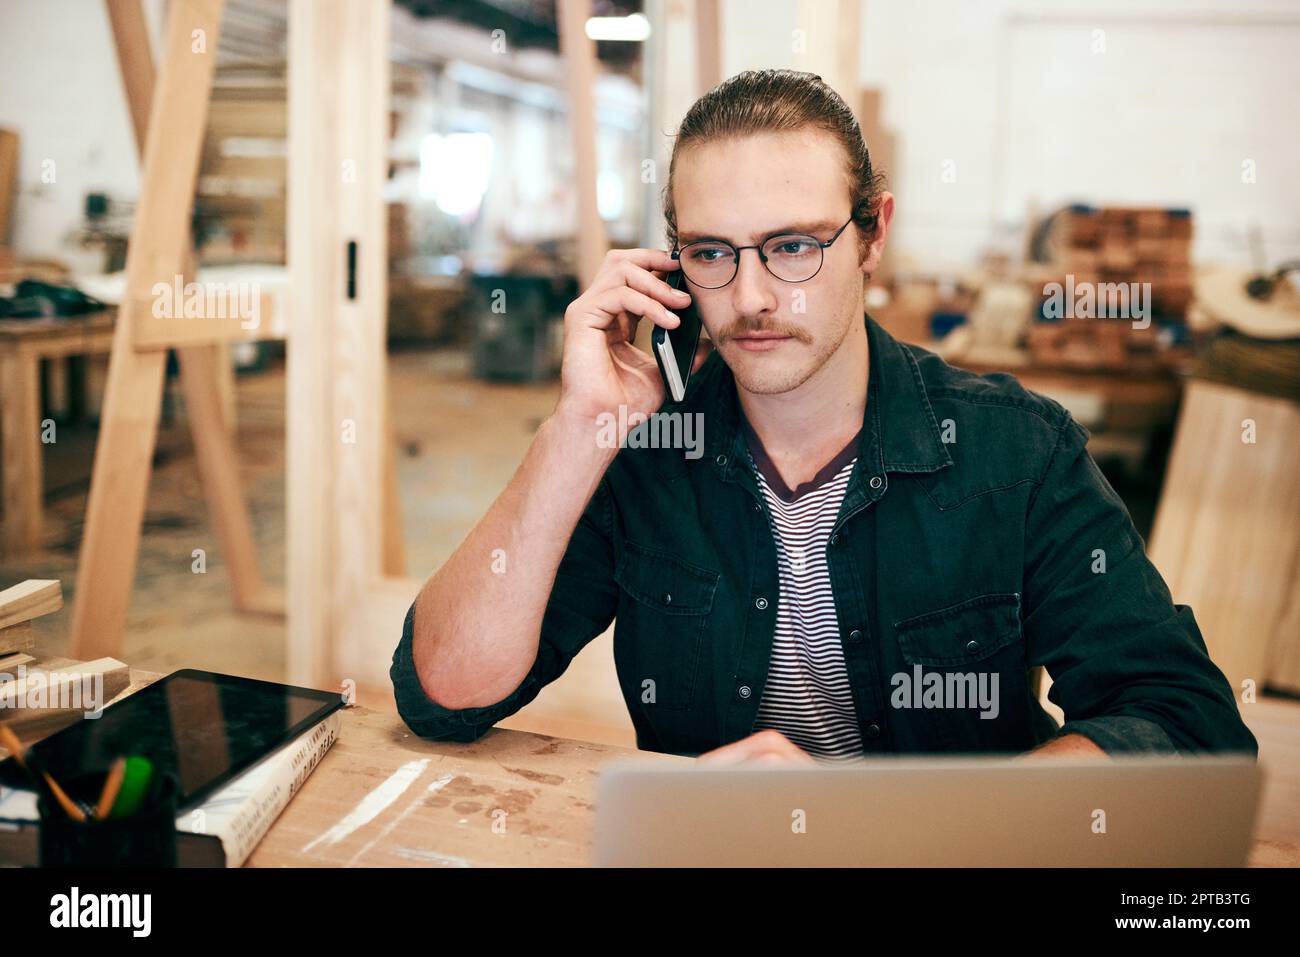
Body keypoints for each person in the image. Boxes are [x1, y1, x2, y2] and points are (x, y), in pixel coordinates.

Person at [390, 69, 1256, 766]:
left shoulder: (1014, 450)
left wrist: (887, 830)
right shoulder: (647, 452)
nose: (754, 296)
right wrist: (576, 431)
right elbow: (444, 692)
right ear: (673, 263)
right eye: (712, 254)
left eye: (795, 246)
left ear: (873, 235)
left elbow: (1187, 726)